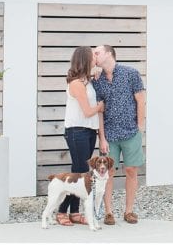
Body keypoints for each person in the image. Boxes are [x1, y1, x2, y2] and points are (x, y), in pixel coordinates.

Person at [92, 43, 145, 225]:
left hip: (131, 132)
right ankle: (108, 212)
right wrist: (102, 137)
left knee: (131, 171)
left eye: (97, 53)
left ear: (108, 54)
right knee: (107, 173)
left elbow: (141, 100)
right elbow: (99, 110)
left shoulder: (131, 73)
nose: (94, 56)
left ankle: (129, 211)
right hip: (109, 135)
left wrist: (139, 125)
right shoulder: (96, 80)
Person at [56, 45, 105, 226]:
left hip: (88, 132)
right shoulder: (76, 84)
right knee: (80, 174)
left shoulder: (88, 81)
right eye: (93, 55)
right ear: (85, 59)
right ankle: (62, 212)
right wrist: (100, 107)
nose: (95, 58)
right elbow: (87, 111)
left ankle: (74, 212)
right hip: (77, 132)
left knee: (79, 173)